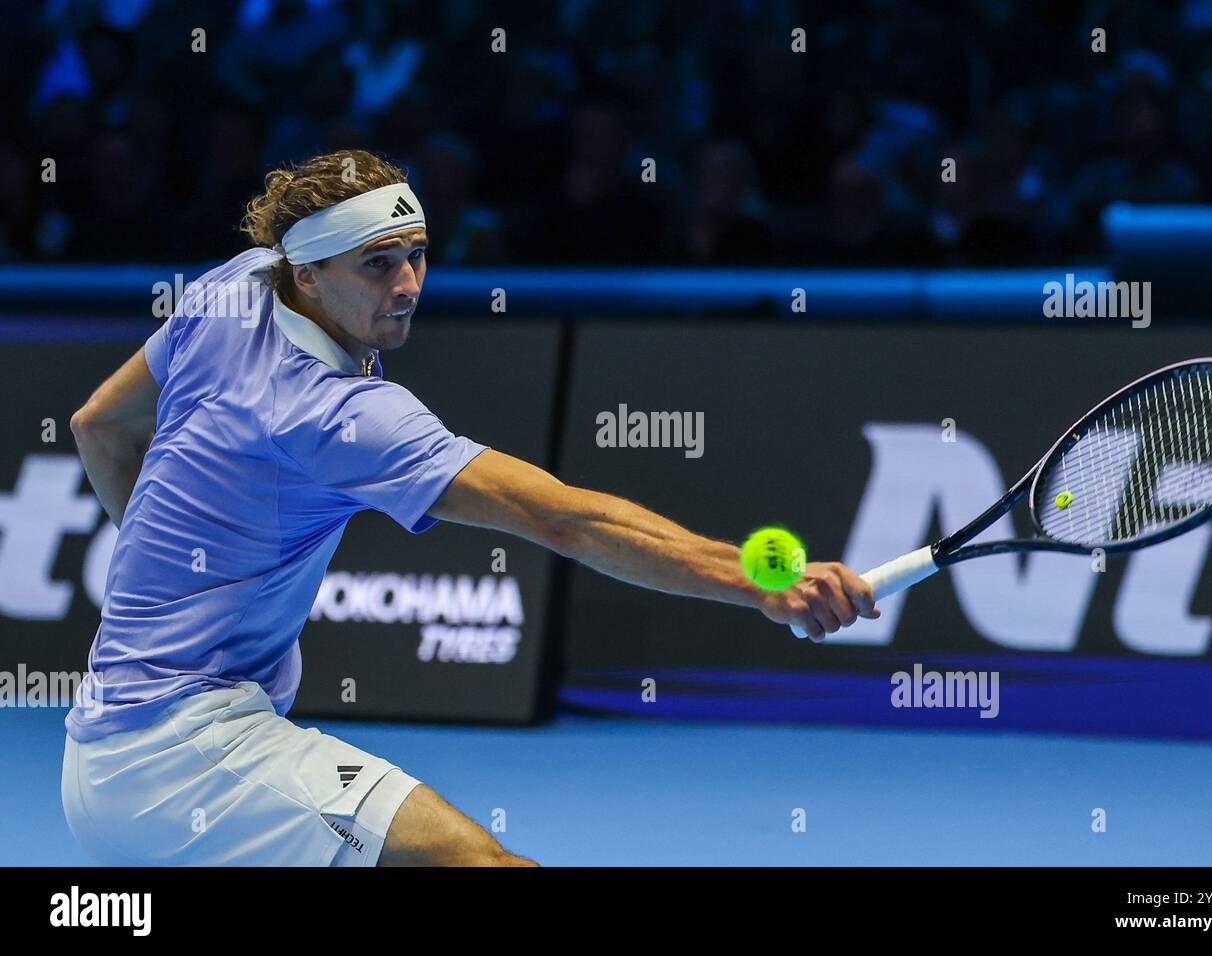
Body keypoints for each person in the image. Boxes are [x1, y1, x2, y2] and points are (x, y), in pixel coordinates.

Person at [62, 148, 878, 867]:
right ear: (305, 273)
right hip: (187, 758)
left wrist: (183, 574)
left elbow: (97, 426)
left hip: (99, 755)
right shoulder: (344, 417)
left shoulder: (234, 285)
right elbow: (564, 518)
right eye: (377, 264)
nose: (409, 284)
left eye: (417, 255)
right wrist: (759, 580)